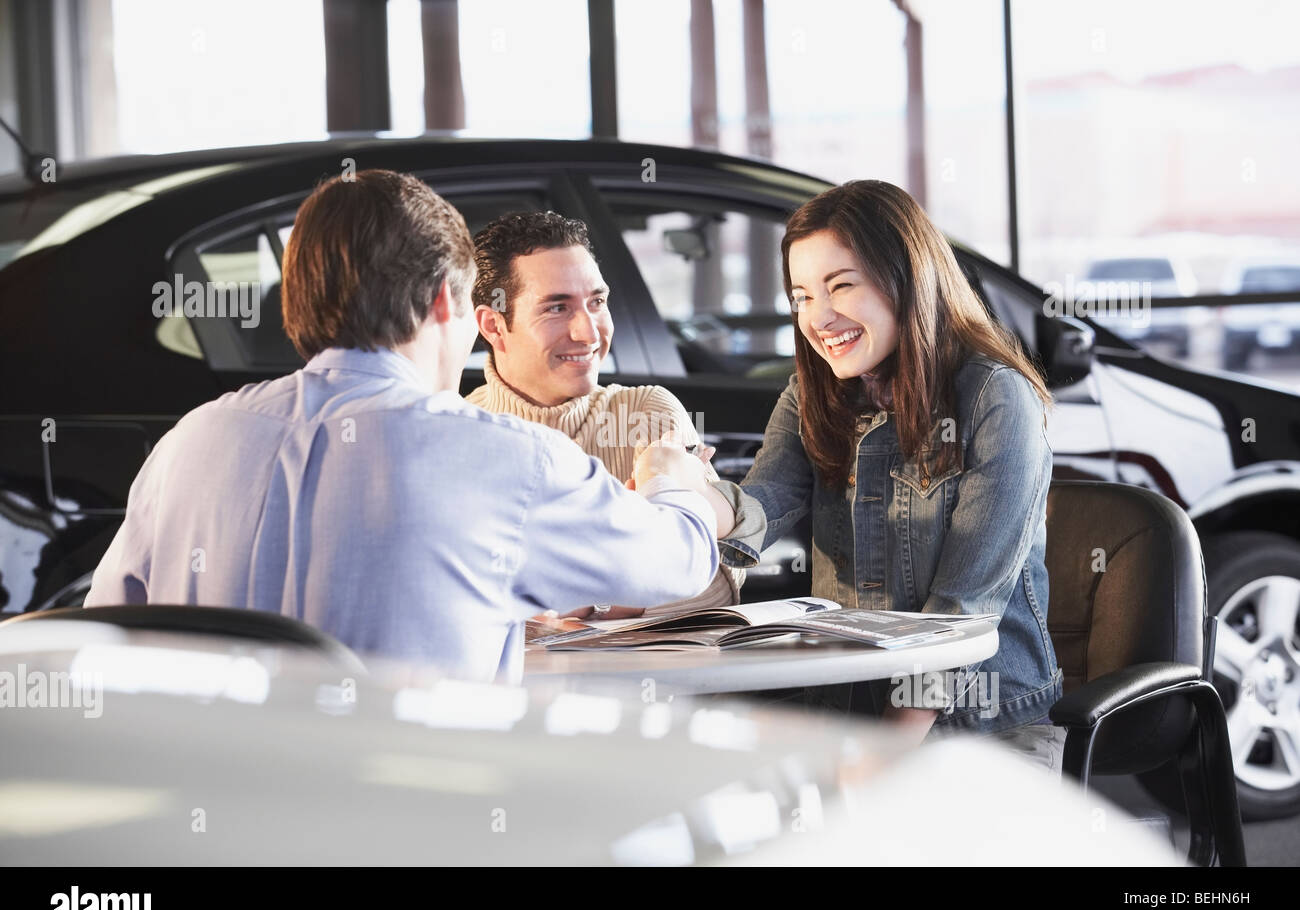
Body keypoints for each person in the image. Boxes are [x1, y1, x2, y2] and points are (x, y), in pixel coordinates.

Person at [85, 170, 729, 681]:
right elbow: (680, 561)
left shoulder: (187, 445)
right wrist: (673, 482)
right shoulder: (501, 457)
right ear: (451, 302)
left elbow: (104, 638)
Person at [717, 180, 1064, 762]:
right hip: (848, 710)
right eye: (801, 296)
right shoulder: (811, 395)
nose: (818, 317)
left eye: (841, 286)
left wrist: (883, 754)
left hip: (982, 727)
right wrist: (692, 500)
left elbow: (961, 614)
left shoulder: (995, 398)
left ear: (907, 277)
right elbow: (762, 503)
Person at [465, 211, 751, 618]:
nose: (589, 332)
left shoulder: (646, 413)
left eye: (597, 302)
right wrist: (629, 569)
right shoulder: (457, 430)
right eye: (557, 308)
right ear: (493, 326)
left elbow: (713, 590)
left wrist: (576, 605)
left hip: (643, 681)